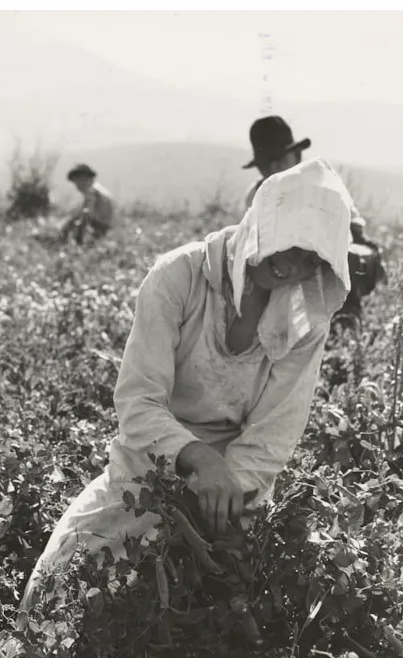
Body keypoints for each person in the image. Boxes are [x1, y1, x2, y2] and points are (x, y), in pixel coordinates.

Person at [20, 157, 355, 617]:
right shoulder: (179, 277)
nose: (293, 264)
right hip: (148, 469)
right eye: (288, 243)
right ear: (262, 225)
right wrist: (199, 459)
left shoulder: (304, 315)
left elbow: (276, 429)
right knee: (50, 601)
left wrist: (224, 488)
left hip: (237, 490)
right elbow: (138, 405)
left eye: (311, 257)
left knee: (237, 610)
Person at [242, 116, 384, 323]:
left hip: (339, 255)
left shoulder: (323, 184)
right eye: (266, 164)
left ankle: (346, 327)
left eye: (280, 160)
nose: (273, 169)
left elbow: (352, 235)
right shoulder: (256, 196)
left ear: (296, 156)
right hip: (290, 266)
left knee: (342, 261)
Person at [59, 163, 115, 244]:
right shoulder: (98, 190)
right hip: (105, 227)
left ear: (85, 178)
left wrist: (70, 230)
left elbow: (86, 214)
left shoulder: (92, 192)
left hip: (100, 228)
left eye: (77, 181)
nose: (77, 186)